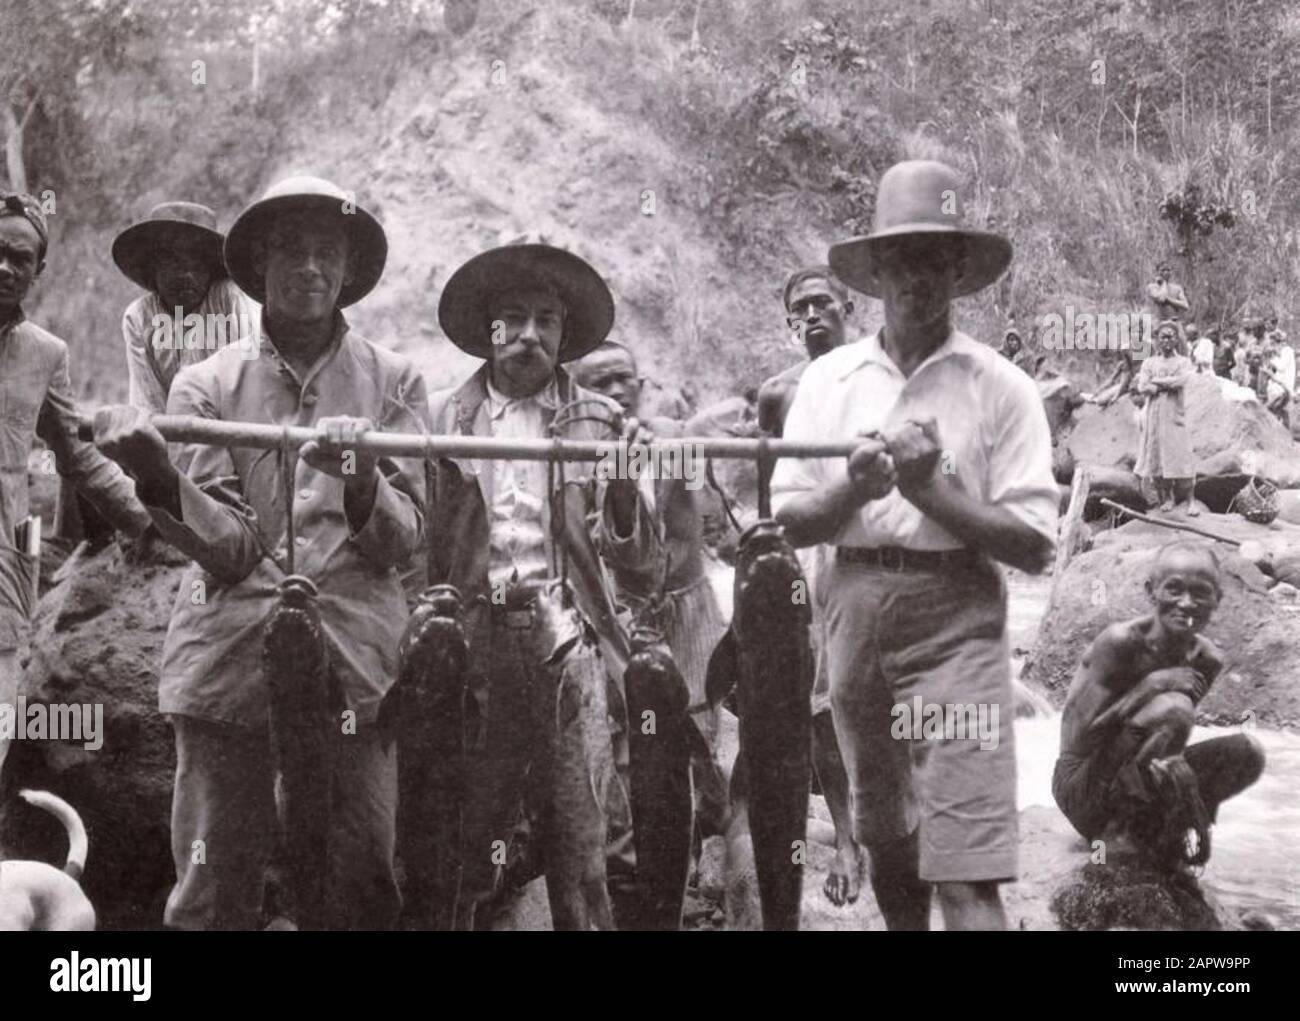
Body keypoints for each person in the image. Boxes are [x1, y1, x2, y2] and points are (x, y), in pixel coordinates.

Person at [94, 177, 430, 930]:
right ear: (258, 264)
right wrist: (157, 475)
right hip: (229, 657)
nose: (309, 267)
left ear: (347, 271)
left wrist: (362, 478)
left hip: (359, 660)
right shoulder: (205, 384)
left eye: (325, 252)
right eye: (290, 250)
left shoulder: (396, 380)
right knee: (213, 885)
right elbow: (233, 548)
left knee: (364, 876)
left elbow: (405, 538)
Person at [772, 160, 1059, 931]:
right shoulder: (827, 382)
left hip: (957, 619)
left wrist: (932, 490)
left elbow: (1035, 546)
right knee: (889, 843)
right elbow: (788, 524)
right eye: (902, 258)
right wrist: (855, 490)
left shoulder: (1001, 385)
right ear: (876, 272)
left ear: (959, 269)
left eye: (935, 257)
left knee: (967, 865)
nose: (917, 276)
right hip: (853, 617)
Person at [423, 237, 657, 929]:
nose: (529, 334)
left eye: (546, 321)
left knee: (581, 842)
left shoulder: (602, 420)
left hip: (569, 643)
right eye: (513, 318)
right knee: (464, 833)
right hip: (473, 643)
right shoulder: (441, 418)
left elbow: (641, 563)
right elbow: (417, 543)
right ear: (487, 329)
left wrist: (620, 490)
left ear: (563, 333)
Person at [0, 193, 151, 779]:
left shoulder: (45, 354)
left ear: (38, 271)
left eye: (21, 258)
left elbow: (78, 458)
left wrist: (156, 522)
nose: (6, 268)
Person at [571, 339, 730, 848]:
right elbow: (619, 550)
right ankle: (643, 865)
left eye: (625, 378)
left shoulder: (674, 438)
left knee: (703, 734)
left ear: (642, 385)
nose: (617, 391)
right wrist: (619, 480)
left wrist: (681, 459)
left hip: (689, 607)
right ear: (582, 395)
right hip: (624, 617)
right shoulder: (578, 455)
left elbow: (711, 518)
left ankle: (705, 849)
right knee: (636, 742)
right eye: (601, 383)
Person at [755, 265, 864, 907]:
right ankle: (847, 839)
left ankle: (898, 827)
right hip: (808, 554)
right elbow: (770, 490)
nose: (814, 314)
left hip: (876, 546)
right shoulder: (779, 393)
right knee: (822, 702)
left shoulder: (879, 377)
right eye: (801, 307)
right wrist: (767, 568)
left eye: (825, 302)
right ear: (790, 321)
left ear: (849, 307)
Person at [1053, 542, 1264, 866]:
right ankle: (1119, 830)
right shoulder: (1120, 643)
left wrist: (1181, 778)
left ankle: (1171, 827)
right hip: (1082, 787)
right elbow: (1078, 741)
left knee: (1247, 752)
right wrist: (1151, 685)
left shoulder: (1207, 660)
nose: (1186, 603)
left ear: (1217, 600)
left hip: (1133, 772)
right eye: (1174, 590)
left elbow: (1168, 736)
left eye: (1200, 593)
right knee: (1174, 707)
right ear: (1152, 592)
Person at [112, 201, 259, 414]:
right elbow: (147, 403)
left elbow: (253, 377)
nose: (186, 275)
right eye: (173, 262)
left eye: (198, 264)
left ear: (211, 268)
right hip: (174, 435)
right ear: (153, 267)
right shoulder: (139, 317)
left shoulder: (229, 298)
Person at [1134, 320, 1197, 516]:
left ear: (1177, 339)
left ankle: (1191, 500)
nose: (1167, 341)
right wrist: (1161, 384)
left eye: (1171, 336)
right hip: (1154, 416)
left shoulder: (1183, 362)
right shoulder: (1149, 362)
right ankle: (1168, 497)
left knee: (1182, 453)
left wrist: (1158, 381)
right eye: (1163, 337)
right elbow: (1143, 386)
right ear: (1157, 341)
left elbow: (1182, 380)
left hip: (1175, 414)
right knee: (1158, 456)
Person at [1261, 330, 1295, 429]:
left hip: (1284, 387)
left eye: (1273, 343)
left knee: (1277, 409)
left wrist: (1272, 359)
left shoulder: (1287, 351)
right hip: (1279, 385)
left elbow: (1281, 366)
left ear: (1278, 342)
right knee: (1280, 411)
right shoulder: (1280, 353)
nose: (1273, 346)